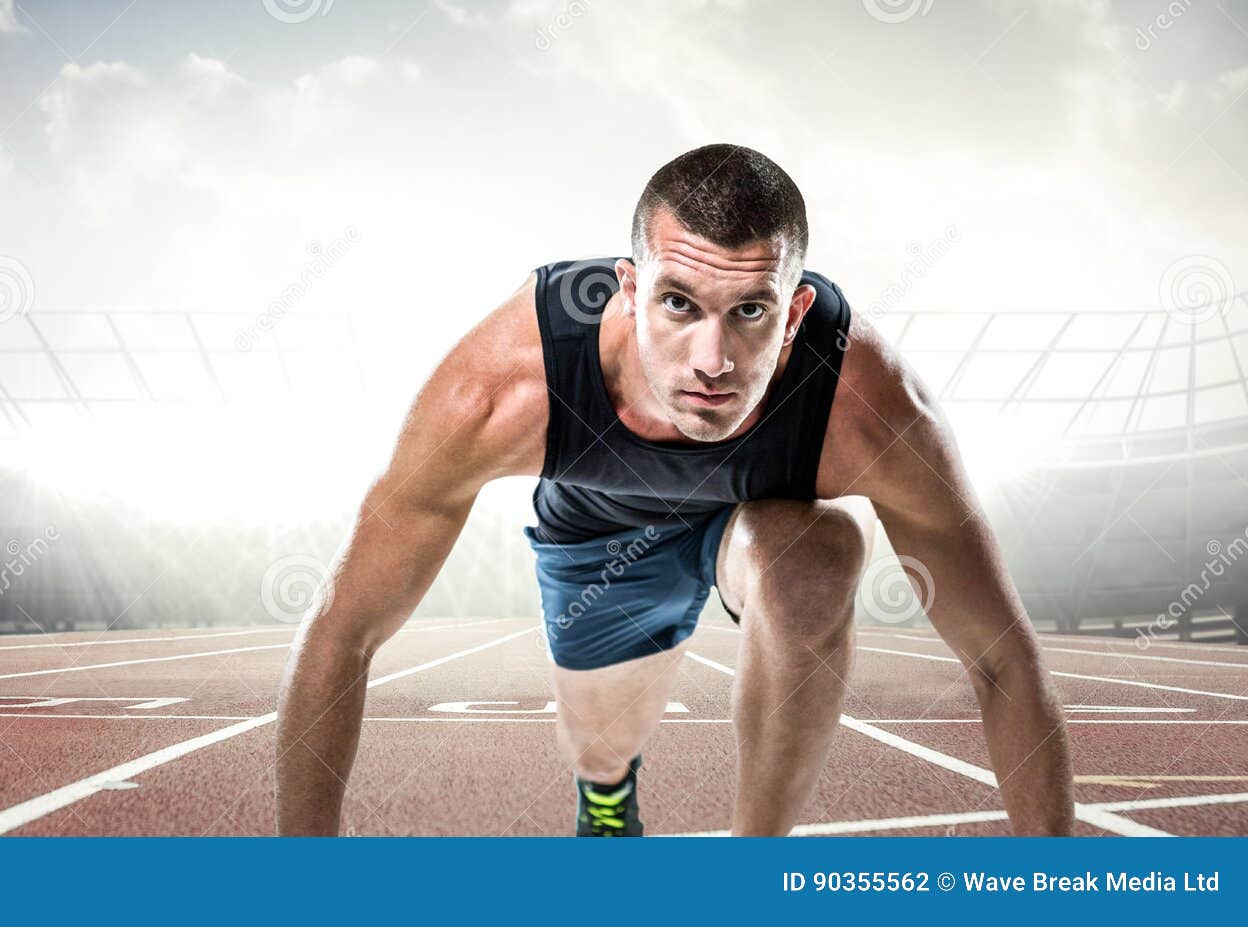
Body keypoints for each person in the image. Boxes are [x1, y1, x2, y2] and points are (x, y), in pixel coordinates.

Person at [274, 144, 1073, 836]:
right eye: (679, 303)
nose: (712, 360)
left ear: (795, 312)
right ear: (629, 288)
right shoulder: (502, 391)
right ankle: (608, 794)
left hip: (757, 527)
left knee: (822, 557)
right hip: (598, 540)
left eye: (749, 310)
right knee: (602, 744)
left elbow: (1003, 656)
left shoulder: (871, 415)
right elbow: (343, 631)